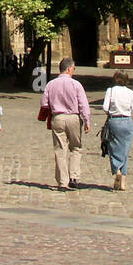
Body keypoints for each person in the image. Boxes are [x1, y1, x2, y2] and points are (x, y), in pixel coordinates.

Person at [41, 57, 91, 190]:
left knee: (60, 150)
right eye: (73, 68)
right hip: (73, 118)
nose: (73, 71)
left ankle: (63, 182)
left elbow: (44, 103)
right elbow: (83, 104)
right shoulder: (76, 84)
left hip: (57, 118)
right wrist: (87, 120)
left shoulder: (51, 84)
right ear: (69, 68)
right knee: (75, 148)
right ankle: (74, 177)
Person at [101, 70, 133, 190]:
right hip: (127, 122)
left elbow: (105, 107)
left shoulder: (110, 91)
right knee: (125, 151)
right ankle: (123, 182)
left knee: (113, 149)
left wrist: (112, 112)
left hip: (114, 121)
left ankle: (117, 171)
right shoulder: (131, 93)